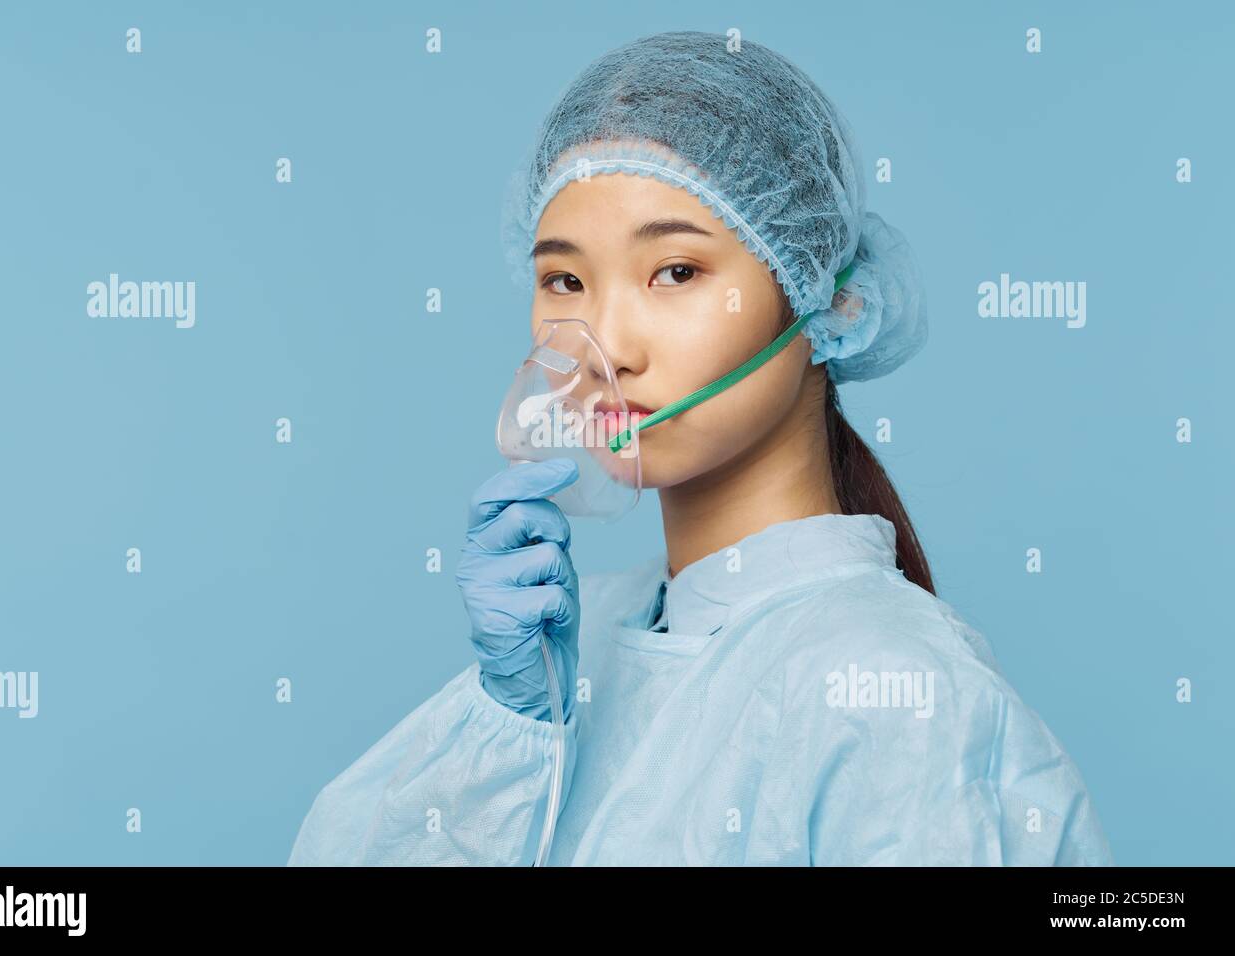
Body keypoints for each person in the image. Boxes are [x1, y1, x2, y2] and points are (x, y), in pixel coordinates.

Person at [287, 30, 1113, 866]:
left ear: (828, 299)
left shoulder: (898, 695)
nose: (604, 343)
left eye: (676, 272)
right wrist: (504, 736)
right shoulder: (580, 640)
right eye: (565, 280)